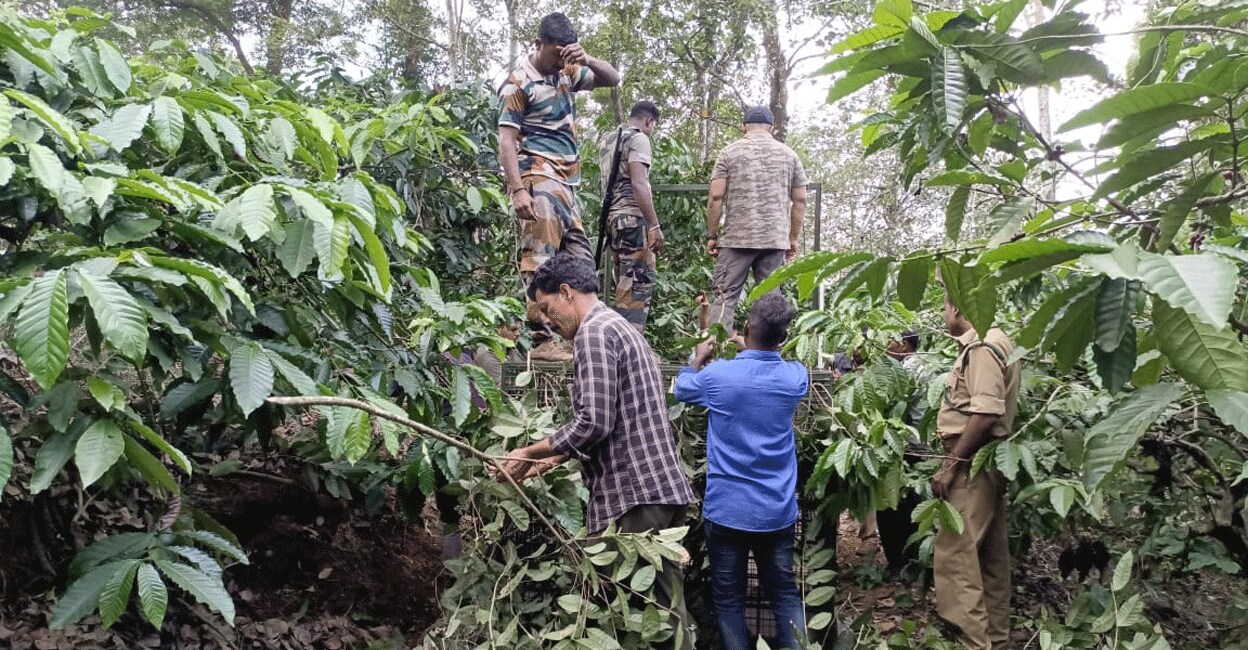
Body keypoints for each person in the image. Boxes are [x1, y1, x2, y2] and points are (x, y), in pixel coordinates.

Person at [499, 252, 696, 649]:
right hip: (655, 492)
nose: (547, 321)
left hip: (635, 498)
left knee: (647, 620)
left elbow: (593, 422)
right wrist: (553, 458)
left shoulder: (593, 332)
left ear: (567, 293)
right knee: (662, 612)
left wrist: (530, 452)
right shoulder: (619, 327)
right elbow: (614, 421)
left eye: (547, 308)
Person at [674, 294, 808, 650]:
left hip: (728, 509)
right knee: (784, 594)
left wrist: (698, 358)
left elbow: (682, 388)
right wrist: (754, 348)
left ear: (747, 328)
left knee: (729, 598)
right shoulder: (795, 379)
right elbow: (779, 362)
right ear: (783, 336)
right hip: (776, 511)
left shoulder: (719, 377)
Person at [498, 12, 620, 361]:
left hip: (567, 185)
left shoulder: (567, 70)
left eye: (564, 54)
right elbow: (506, 142)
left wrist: (585, 58)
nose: (558, 61)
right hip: (537, 178)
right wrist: (518, 190)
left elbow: (613, 79)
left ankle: (583, 337)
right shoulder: (519, 82)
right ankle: (542, 342)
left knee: (580, 266)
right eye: (555, 53)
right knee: (539, 260)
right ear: (538, 45)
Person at [930, 295, 1021, 650]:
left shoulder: (982, 346)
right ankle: (995, 640)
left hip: (972, 466)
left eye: (944, 306)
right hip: (987, 464)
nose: (944, 314)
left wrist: (951, 466)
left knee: (957, 559)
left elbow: (985, 413)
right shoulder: (996, 341)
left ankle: (973, 643)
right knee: (989, 559)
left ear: (957, 309)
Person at [704, 106, 808, 330]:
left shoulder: (729, 153)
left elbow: (716, 196)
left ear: (743, 127)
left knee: (725, 299)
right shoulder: (789, 156)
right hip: (774, 241)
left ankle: (718, 357)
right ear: (772, 128)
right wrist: (793, 238)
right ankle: (769, 359)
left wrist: (712, 235)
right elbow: (800, 200)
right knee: (771, 304)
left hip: (735, 240)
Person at [600, 100, 665, 333]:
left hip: (613, 220)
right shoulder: (639, 139)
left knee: (623, 285)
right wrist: (654, 225)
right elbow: (639, 182)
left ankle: (622, 340)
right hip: (632, 218)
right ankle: (631, 343)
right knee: (638, 285)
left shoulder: (610, 139)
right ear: (649, 121)